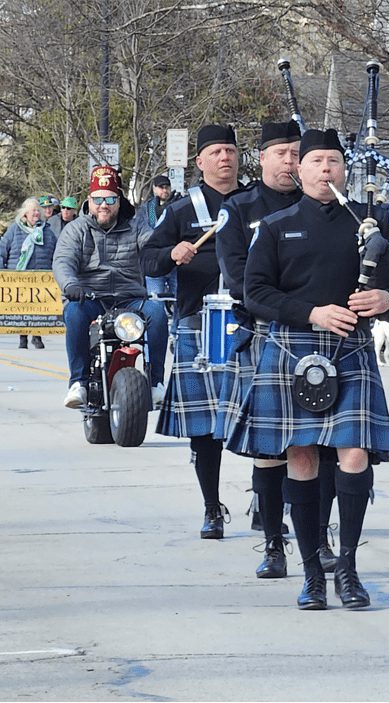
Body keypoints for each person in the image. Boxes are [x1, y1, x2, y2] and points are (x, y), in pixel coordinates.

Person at [230, 128, 389, 610]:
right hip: (293, 347)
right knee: (303, 458)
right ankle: (312, 572)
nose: (325, 169)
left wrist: (387, 297)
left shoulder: (371, 225)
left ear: (343, 170)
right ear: (300, 170)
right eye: (316, 161)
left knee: (354, 455)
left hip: (350, 349)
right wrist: (312, 313)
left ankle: (348, 569)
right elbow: (256, 293)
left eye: (333, 160)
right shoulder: (274, 227)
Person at [140, 124, 243, 541]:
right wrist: (171, 252)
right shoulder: (183, 209)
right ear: (199, 161)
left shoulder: (258, 203)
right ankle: (211, 507)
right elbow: (148, 259)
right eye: (216, 152)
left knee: (265, 420)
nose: (225, 158)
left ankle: (267, 501)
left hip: (251, 319)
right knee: (205, 428)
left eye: (231, 151)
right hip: (198, 321)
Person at [213, 120, 304, 578]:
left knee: (319, 447)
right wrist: (297, 303)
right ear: (263, 158)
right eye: (281, 153)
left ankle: (316, 537)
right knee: (270, 447)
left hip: (316, 335)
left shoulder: (321, 207)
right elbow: (238, 278)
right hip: (265, 333)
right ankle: (272, 544)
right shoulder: (239, 207)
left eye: (296, 153)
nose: (289, 162)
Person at [52, 165, 168, 408]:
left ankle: (156, 383)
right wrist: (71, 284)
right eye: (98, 199)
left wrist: (168, 254)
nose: (103, 204)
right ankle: (78, 383)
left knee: (157, 313)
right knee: (73, 313)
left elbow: (153, 247)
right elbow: (63, 260)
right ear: (89, 201)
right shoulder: (76, 229)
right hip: (90, 298)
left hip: (130, 299)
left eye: (110, 198)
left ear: (119, 200)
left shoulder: (137, 226)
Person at [1, 197, 57, 349]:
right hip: (19, 276)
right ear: (25, 213)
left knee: (39, 308)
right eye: (33, 211)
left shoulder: (47, 231)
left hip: (41, 277)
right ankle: (23, 337)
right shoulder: (14, 229)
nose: (36, 214)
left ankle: (37, 336)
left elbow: (56, 253)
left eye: (38, 211)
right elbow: (2, 251)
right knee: (23, 307)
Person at [142, 175, 178, 301]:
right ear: (154, 189)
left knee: (179, 301)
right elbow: (144, 233)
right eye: (161, 187)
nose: (164, 190)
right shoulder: (147, 208)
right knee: (155, 301)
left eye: (167, 187)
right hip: (154, 263)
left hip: (175, 261)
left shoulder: (177, 204)